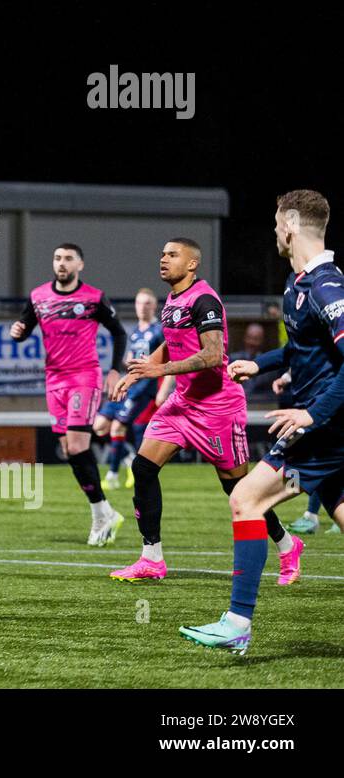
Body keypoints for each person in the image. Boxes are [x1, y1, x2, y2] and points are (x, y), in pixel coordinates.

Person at [181, 190, 344, 654]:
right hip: (325, 426)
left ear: (291, 223)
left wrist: (312, 412)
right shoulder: (299, 285)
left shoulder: (327, 287)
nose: (274, 230)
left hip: (323, 428)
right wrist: (263, 363)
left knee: (245, 499)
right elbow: (305, 348)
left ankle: (237, 621)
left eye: (276, 222)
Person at [108, 239, 299, 583]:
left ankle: (287, 545)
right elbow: (170, 343)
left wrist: (159, 372)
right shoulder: (172, 301)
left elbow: (213, 356)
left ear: (192, 264)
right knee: (143, 468)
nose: (162, 259)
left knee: (238, 490)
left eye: (172, 254)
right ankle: (152, 558)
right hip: (182, 404)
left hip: (217, 408)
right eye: (162, 253)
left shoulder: (205, 299)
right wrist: (135, 376)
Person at [10, 243, 126, 546]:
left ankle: (101, 514)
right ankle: (103, 511)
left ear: (80, 265)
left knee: (76, 446)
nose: (61, 263)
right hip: (54, 381)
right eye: (58, 258)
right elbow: (25, 328)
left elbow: (118, 332)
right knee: (68, 449)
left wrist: (114, 370)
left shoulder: (93, 298)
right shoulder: (38, 297)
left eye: (68, 259)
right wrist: (18, 333)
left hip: (84, 377)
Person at [93, 288, 164, 490]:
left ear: (154, 306)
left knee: (117, 427)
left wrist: (163, 389)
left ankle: (113, 475)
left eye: (147, 303)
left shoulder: (159, 331)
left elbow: (167, 360)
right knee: (99, 426)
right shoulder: (135, 332)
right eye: (140, 303)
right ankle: (129, 459)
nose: (143, 307)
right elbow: (133, 359)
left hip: (143, 388)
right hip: (128, 384)